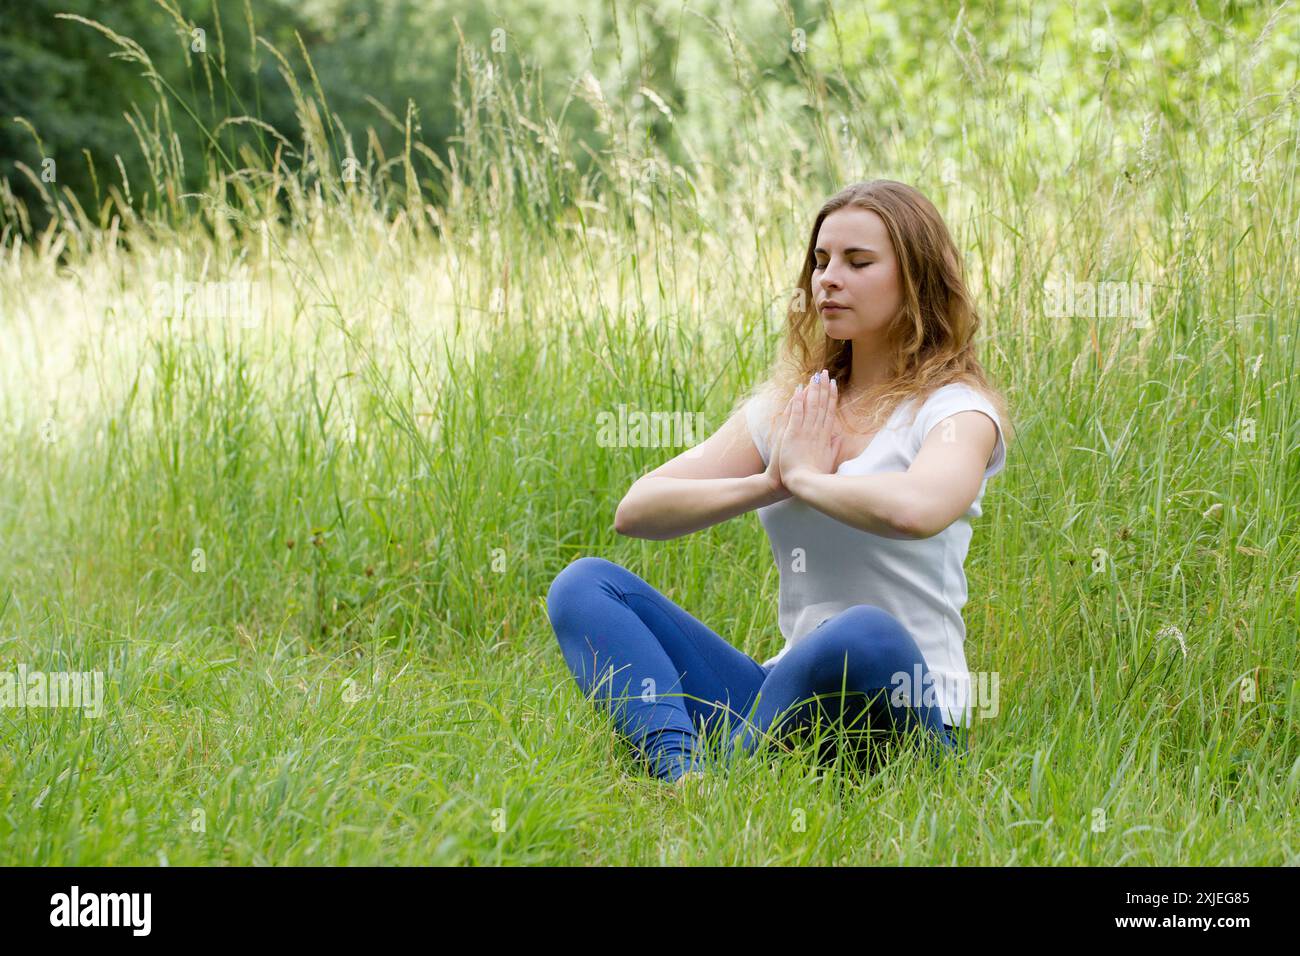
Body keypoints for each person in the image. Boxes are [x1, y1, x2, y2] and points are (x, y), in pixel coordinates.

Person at [546, 180, 1013, 784]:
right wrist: (769, 483)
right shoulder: (798, 408)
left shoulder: (955, 411)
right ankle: (680, 775)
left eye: (857, 261)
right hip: (786, 703)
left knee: (862, 631)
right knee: (584, 585)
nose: (827, 279)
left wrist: (808, 479)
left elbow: (918, 508)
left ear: (916, 279)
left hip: (900, 706)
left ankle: (731, 773)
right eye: (820, 262)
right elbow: (637, 509)